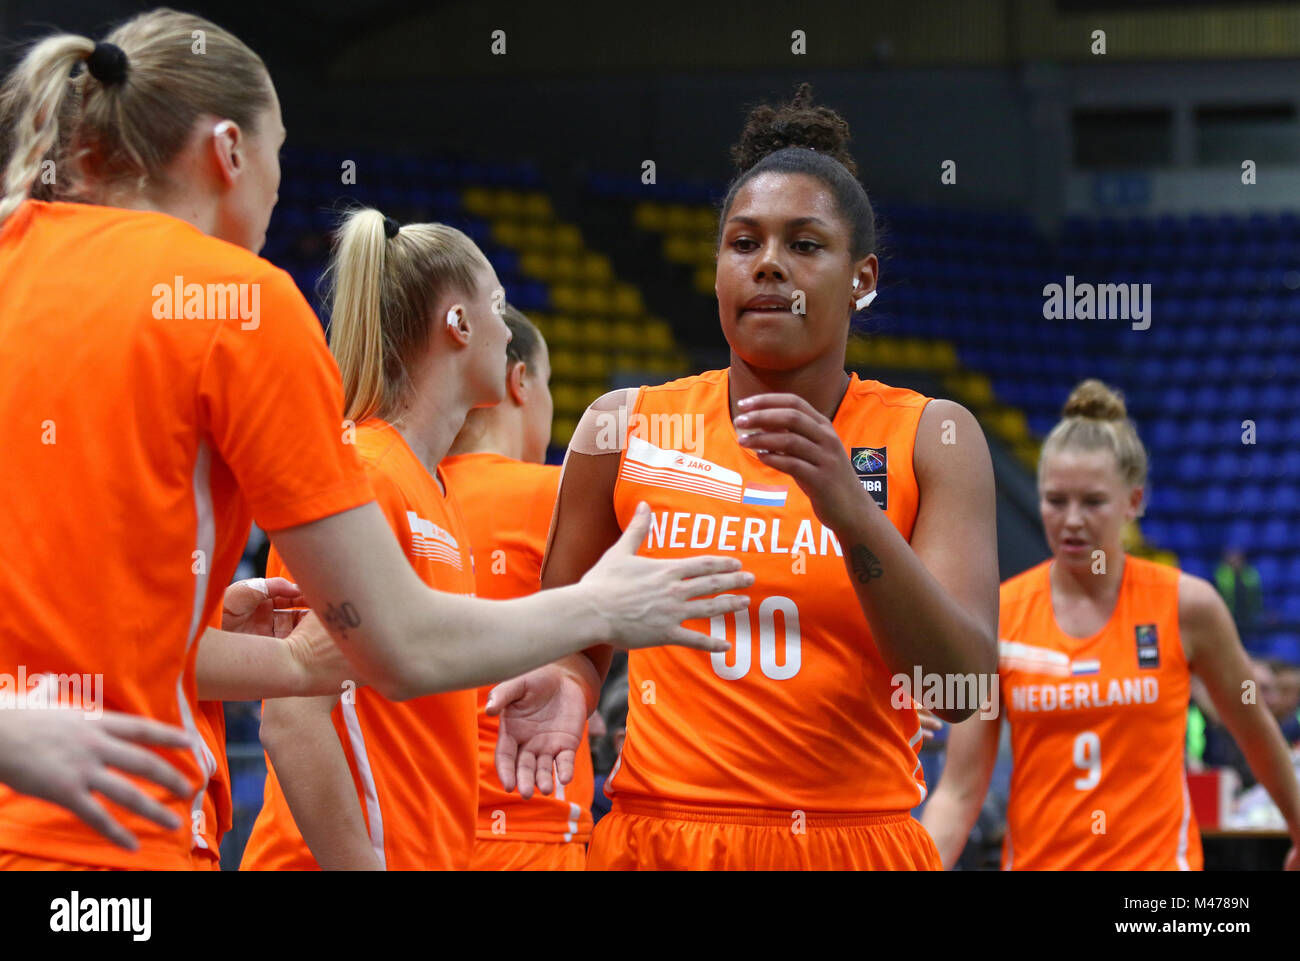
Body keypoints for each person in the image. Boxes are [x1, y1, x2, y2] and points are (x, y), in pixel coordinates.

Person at [0, 9, 751, 870]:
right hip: (111, 845)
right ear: (229, 151)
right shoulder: (238, 302)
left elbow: (92, 652)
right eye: (280, 148)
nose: (279, 184)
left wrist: (243, 649)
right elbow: (399, 648)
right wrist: (601, 608)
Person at [489, 83, 999, 870]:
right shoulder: (620, 427)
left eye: (803, 243)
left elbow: (959, 691)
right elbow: (573, 632)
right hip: (661, 837)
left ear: (861, 277)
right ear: (719, 265)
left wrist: (850, 510)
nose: (768, 264)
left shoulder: (932, 435)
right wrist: (570, 682)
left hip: (851, 841)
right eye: (744, 242)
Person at [921, 380, 1300, 870]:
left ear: (1134, 502)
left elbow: (1255, 731)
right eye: (1056, 501)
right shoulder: (1001, 614)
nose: (1072, 520)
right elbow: (959, 790)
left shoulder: (1188, 606)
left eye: (1093, 502)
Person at [443, 306, 595, 870]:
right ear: (521, 381)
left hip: (407, 824)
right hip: (529, 825)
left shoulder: (394, 492)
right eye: (550, 383)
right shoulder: (560, 497)